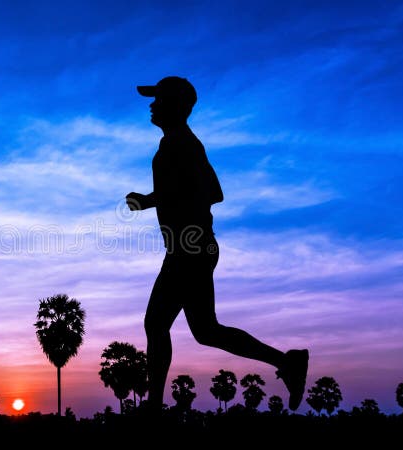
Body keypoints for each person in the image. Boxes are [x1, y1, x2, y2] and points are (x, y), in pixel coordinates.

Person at [126, 76, 309, 412]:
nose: (152, 105)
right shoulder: (184, 143)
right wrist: (153, 201)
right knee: (206, 331)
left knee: (157, 323)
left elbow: (207, 194)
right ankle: (287, 362)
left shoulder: (180, 144)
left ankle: (152, 410)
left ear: (177, 105)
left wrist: (154, 202)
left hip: (189, 248)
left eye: (159, 99)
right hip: (193, 247)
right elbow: (213, 191)